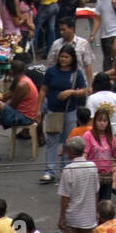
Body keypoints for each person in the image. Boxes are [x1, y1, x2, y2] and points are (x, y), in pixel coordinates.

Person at [38, 43, 87, 184]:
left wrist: (71, 92)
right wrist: (38, 110)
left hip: (70, 112)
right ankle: (49, 171)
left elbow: (84, 90)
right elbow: (43, 90)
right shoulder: (51, 72)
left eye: (66, 57)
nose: (63, 59)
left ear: (72, 58)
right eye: (61, 57)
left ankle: (66, 169)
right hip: (53, 111)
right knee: (52, 141)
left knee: (68, 141)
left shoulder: (76, 73)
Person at [58, 137, 100, 233]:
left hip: (72, 217)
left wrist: (62, 217)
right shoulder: (93, 167)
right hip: (88, 216)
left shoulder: (68, 170)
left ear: (70, 152)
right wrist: (96, 211)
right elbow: (96, 191)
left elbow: (65, 197)